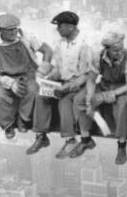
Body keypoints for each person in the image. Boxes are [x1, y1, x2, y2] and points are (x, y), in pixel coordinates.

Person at [71, 30, 127, 164]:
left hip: (121, 88)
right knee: (80, 99)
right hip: (105, 84)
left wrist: (107, 95)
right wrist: (90, 97)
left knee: (121, 105)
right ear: (107, 49)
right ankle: (86, 139)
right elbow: (91, 80)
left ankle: (121, 144)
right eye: (115, 50)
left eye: (121, 49)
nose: (119, 53)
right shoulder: (98, 56)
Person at [34, 11, 93, 158]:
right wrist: (48, 79)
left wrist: (67, 87)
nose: (58, 29)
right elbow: (57, 68)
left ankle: (70, 139)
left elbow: (87, 75)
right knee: (41, 95)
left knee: (64, 102)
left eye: (60, 26)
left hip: (80, 85)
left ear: (70, 27)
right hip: (63, 83)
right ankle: (41, 135)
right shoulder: (61, 43)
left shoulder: (85, 44)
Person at [0, 14, 53, 143]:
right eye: (10, 29)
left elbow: (48, 50)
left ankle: (23, 120)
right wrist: (10, 83)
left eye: (15, 28)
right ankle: (8, 125)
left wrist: (42, 71)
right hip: (6, 77)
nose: (14, 32)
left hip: (28, 75)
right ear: (0, 30)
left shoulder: (26, 36)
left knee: (32, 91)